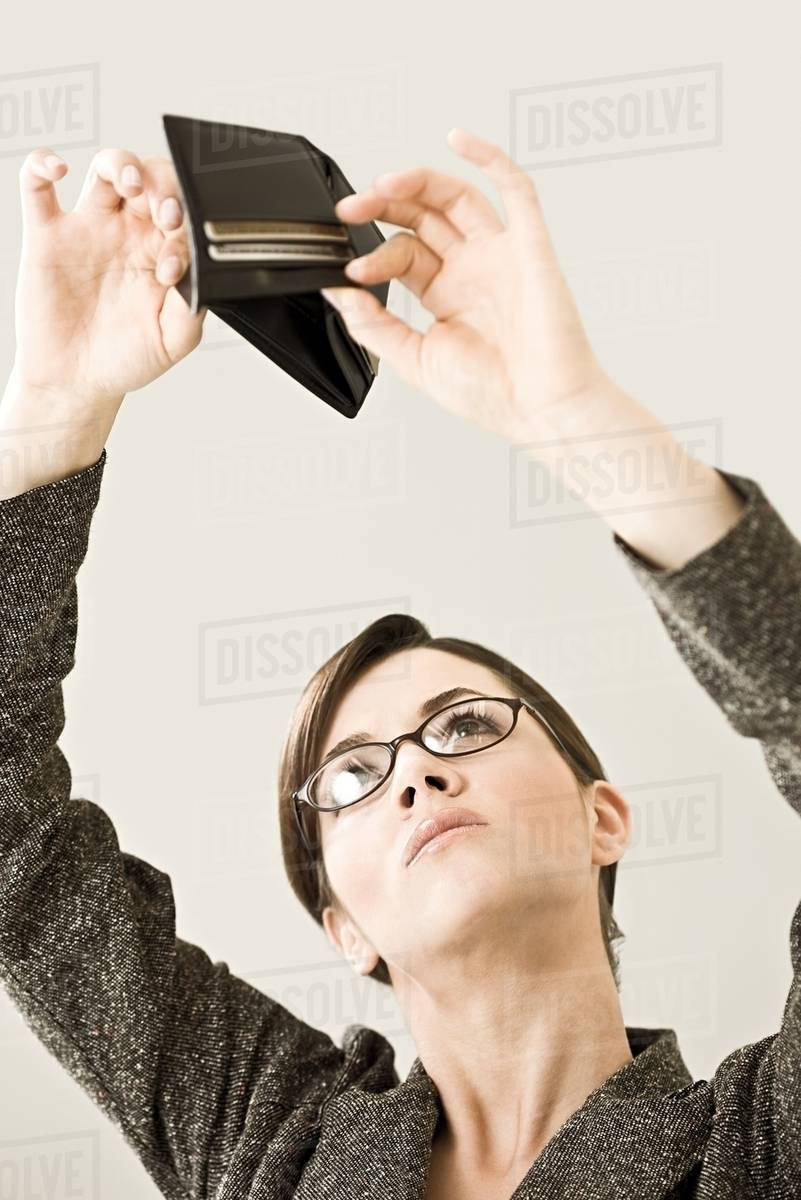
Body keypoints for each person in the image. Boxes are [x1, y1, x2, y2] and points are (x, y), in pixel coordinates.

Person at [0, 128, 798, 1200]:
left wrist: (579, 428)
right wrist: (47, 425)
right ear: (346, 928)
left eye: (467, 725)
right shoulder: (271, 1147)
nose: (416, 774)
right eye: (352, 778)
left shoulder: (760, 1149)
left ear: (600, 815)